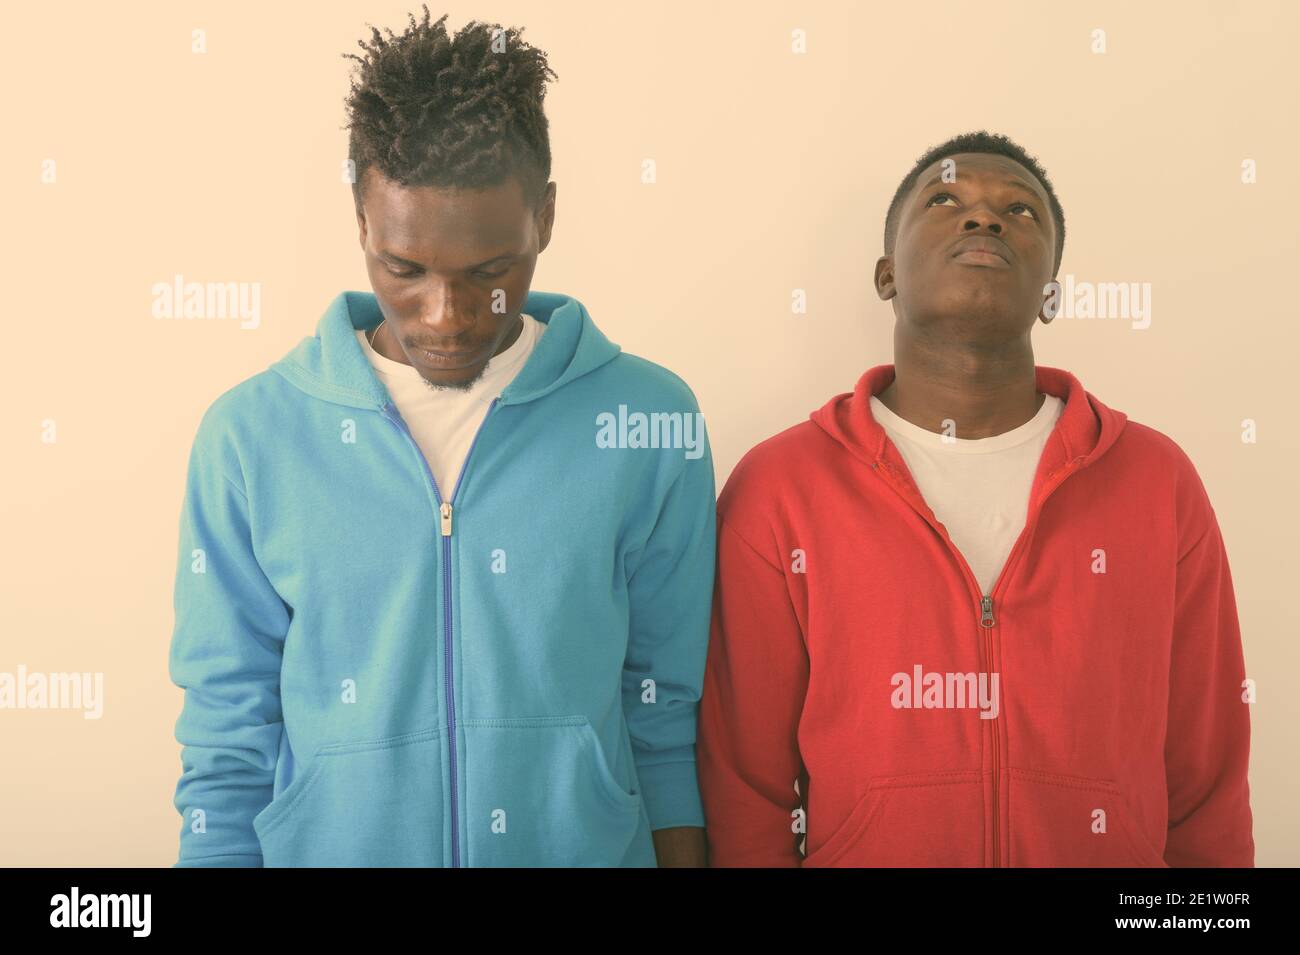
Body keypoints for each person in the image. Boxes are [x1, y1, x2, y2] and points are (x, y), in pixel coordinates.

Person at [169, 8, 713, 868]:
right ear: (360, 219)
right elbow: (228, 736)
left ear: (545, 217)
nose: (447, 317)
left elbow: (666, 714)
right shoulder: (249, 438)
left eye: (490, 273)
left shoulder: (647, 422)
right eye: (404, 269)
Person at [697, 130, 1254, 868]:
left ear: (1052, 291)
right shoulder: (779, 490)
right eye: (946, 199)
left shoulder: (1157, 482)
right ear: (886, 273)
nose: (984, 218)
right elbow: (747, 789)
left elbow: (1206, 780)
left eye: (1020, 211)